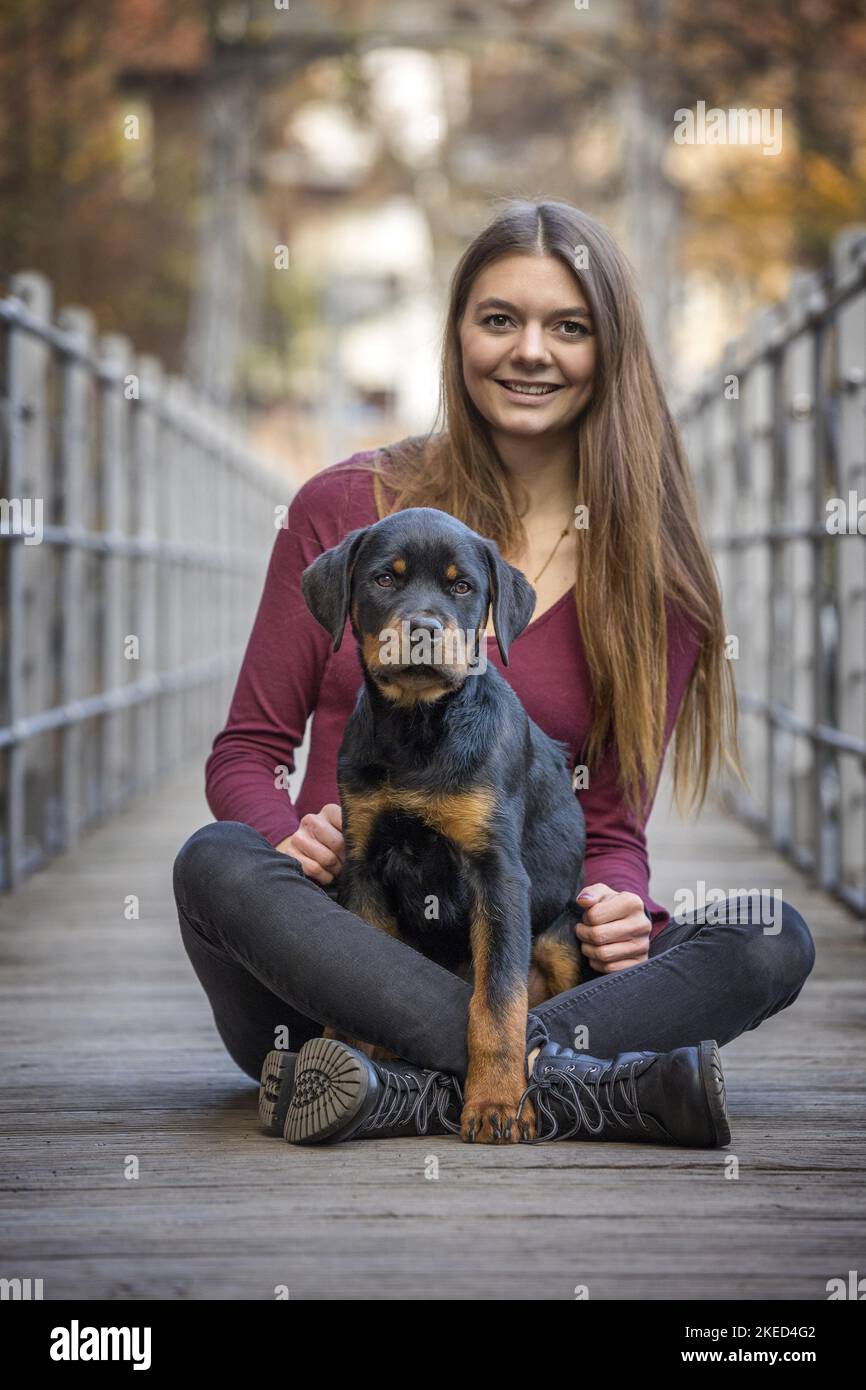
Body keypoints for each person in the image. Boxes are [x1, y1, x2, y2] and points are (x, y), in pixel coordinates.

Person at [172, 199, 816, 1148]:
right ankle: (581, 1086)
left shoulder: (653, 577)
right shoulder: (346, 509)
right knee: (214, 861)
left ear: (611, 350)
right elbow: (247, 754)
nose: (531, 352)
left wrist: (619, 903)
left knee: (769, 937)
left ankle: (407, 1090)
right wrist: (288, 839)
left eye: (569, 326)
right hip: (342, 948)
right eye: (500, 319)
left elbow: (608, 826)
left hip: (512, 953)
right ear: (458, 335)